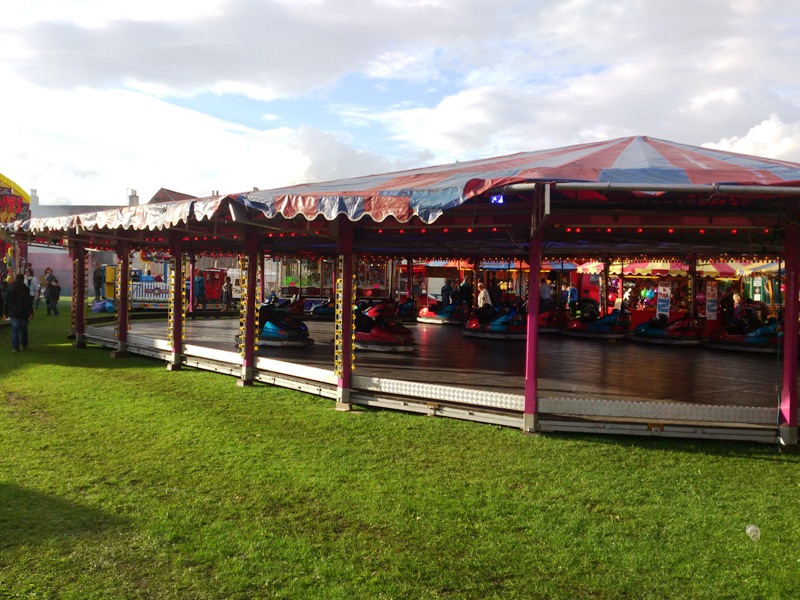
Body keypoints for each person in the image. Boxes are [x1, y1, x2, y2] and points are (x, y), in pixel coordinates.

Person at [4, 273, 34, 351]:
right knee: (23, 329)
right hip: (24, 312)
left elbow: (6, 301)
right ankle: (24, 345)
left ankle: (15, 347)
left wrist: (5, 312)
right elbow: (28, 302)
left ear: (15, 279)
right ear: (23, 279)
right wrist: (31, 312)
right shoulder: (25, 289)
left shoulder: (10, 288)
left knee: (15, 329)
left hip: (13, 311)